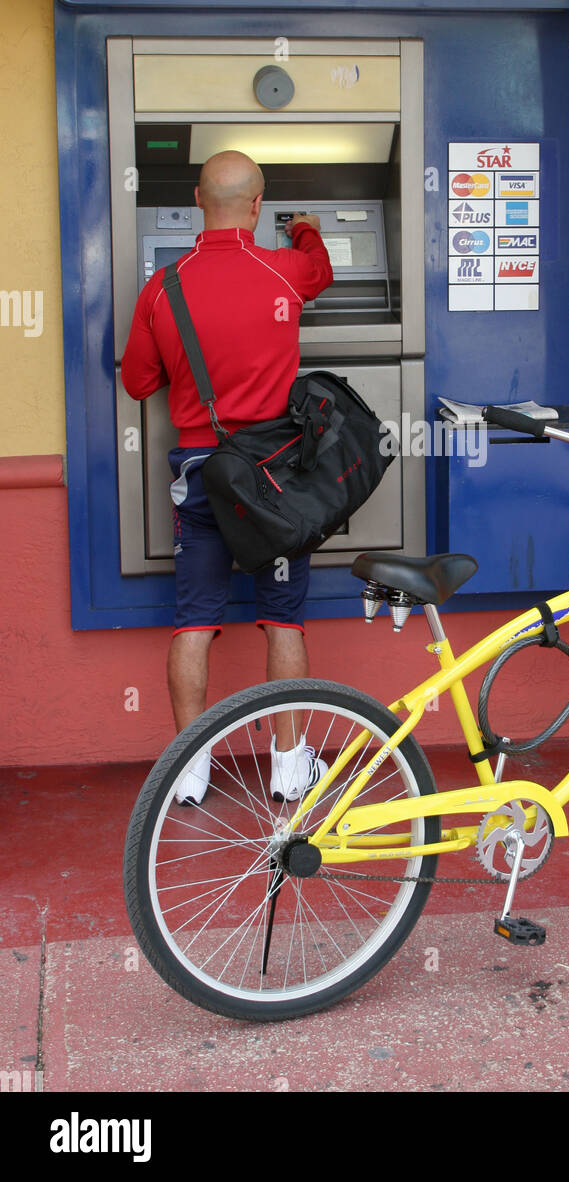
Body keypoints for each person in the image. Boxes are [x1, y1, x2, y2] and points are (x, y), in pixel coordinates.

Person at [121, 150, 333, 805]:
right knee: (283, 621)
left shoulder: (163, 286)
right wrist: (306, 227)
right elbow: (320, 270)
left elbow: (137, 381)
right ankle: (289, 767)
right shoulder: (285, 268)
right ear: (256, 205)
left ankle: (190, 768)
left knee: (193, 619)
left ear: (195, 200)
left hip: (200, 471)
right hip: (271, 477)